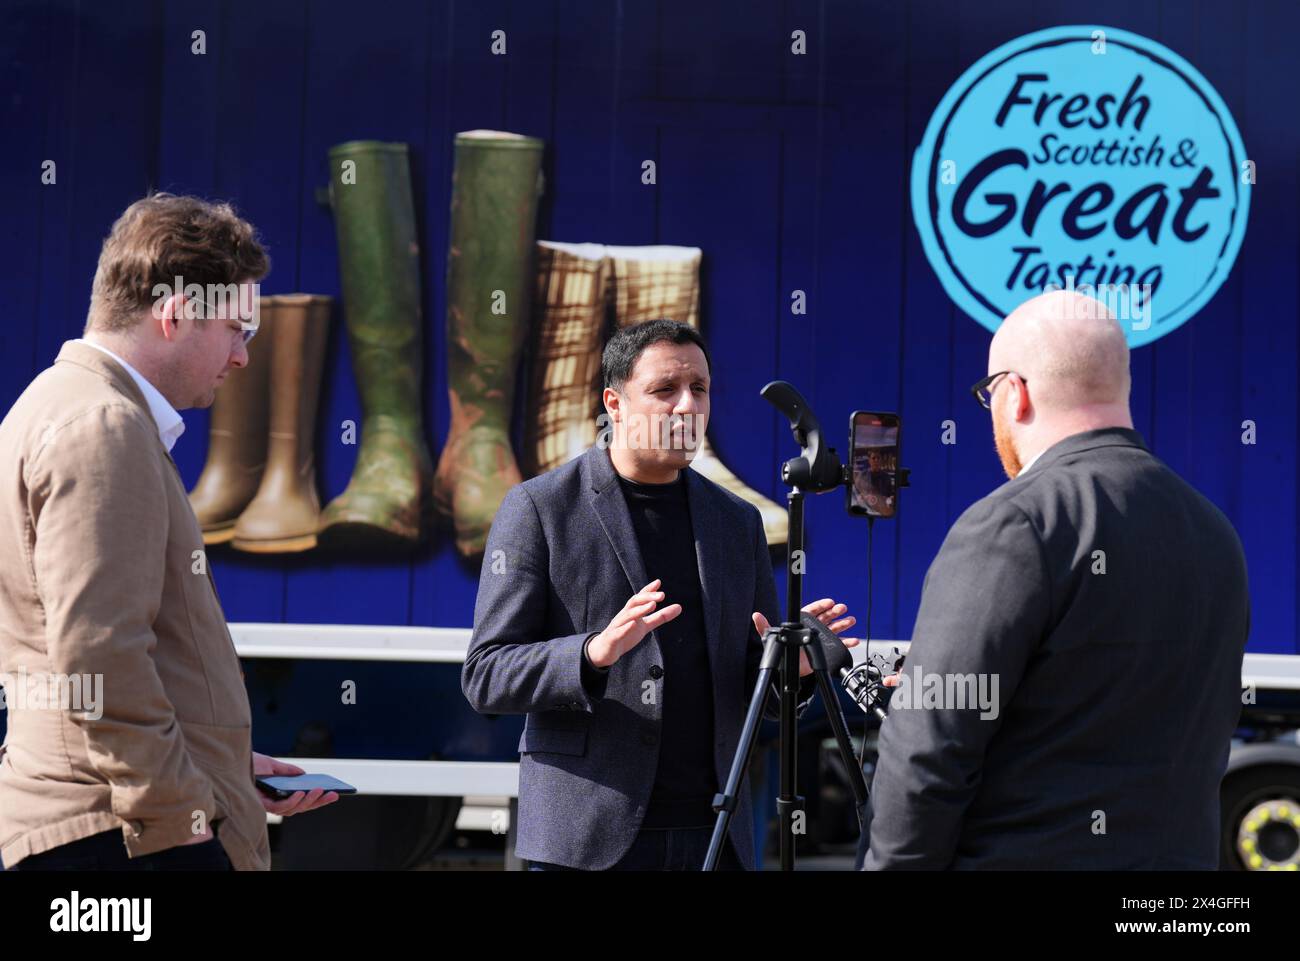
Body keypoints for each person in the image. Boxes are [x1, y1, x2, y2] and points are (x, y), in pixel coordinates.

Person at [0, 193, 336, 871]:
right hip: (121, 837)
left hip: (103, 823)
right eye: (238, 328)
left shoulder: (51, 407)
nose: (243, 357)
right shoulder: (104, 427)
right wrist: (178, 817)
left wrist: (218, 757)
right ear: (176, 312)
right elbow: (101, 655)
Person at [863, 289, 1250, 869]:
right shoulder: (1214, 532)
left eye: (988, 393)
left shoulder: (1014, 523)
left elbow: (927, 747)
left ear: (1014, 392)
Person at [463, 319, 856, 870]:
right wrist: (592, 654)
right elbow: (486, 675)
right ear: (614, 404)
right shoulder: (541, 508)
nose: (686, 406)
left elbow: (757, 700)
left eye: (700, 389)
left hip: (715, 836)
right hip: (587, 840)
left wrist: (793, 669)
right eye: (664, 390)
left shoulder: (737, 521)